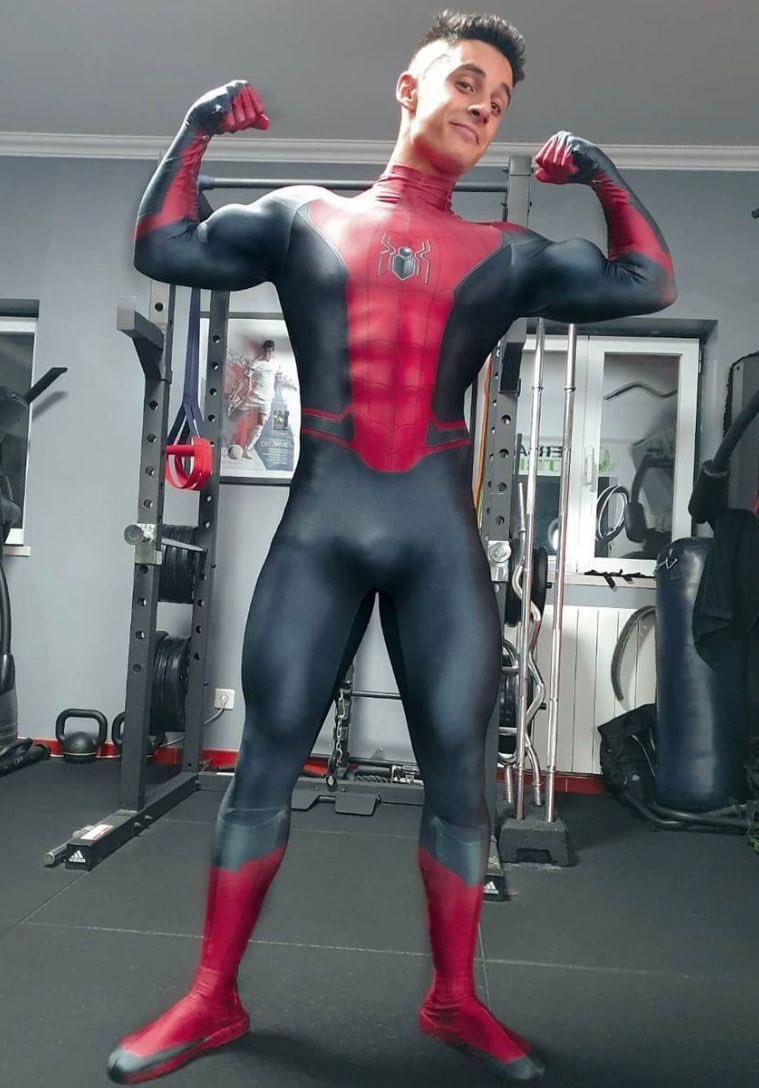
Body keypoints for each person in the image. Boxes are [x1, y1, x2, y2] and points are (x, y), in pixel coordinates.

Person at [108, 10, 676, 1084]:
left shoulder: (507, 254)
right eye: (465, 81)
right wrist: (194, 131)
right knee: (263, 763)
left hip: (435, 546)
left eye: (497, 101)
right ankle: (211, 996)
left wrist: (603, 175)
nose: (481, 107)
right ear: (408, 89)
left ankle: (454, 999)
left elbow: (645, 284)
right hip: (319, 534)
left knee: (463, 777)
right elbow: (163, 246)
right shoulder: (300, 215)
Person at [224, 338, 298, 460]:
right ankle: (227, 441)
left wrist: (292, 384)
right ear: (263, 351)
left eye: (270, 352)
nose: (268, 354)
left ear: (273, 351)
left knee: (261, 424)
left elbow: (280, 377)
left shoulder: (276, 364)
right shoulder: (255, 363)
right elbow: (244, 380)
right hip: (252, 397)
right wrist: (235, 393)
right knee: (234, 417)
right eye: (266, 351)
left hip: (267, 400)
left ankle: (247, 449)